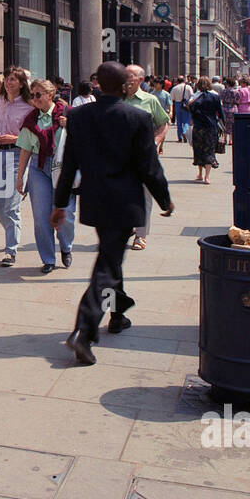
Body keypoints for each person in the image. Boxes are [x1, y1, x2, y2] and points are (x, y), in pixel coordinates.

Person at [52, 61, 174, 365]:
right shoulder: (137, 117)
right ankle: (85, 330)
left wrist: (60, 203)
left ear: (97, 85)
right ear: (124, 87)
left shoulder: (78, 117)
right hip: (125, 204)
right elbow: (149, 166)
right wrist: (164, 199)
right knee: (107, 265)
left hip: (95, 201)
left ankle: (118, 313)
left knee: (111, 256)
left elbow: (69, 165)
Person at [16, 78, 75, 273]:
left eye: (38, 95)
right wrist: (20, 177)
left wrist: (71, 126)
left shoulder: (68, 114)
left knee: (65, 216)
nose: (35, 99)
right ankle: (48, 259)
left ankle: (66, 246)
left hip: (63, 167)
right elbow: (25, 149)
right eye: (32, 96)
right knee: (41, 217)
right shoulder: (30, 119)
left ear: (50, 94)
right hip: (38, 167)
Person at [0, 67, 32, 267]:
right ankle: (12, 230)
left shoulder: (29, 106)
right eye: (7, 79)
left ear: (21, 83)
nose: (8, 82)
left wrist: (15, 138)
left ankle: (10, 250)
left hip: (16, 154)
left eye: (13, 79)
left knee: (11, 204)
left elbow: (32, 135)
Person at [124, 65, 169, 250]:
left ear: (140, 80)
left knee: (144, 197)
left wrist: (156, 141)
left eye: (130, 76)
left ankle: (140, 235)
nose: (125, 78)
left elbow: (163, 123)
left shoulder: (150, 100)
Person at [188, 75, 224, 183]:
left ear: (198, 85)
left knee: (198, 149)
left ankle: (199, 173)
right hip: (211, 126)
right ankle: (207, 176)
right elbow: (220, 112)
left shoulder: (195, 96)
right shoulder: (215, 96)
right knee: (209, 150)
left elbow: (190, 108)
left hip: (198, 127)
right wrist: (224, 124)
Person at [170, 76, 193, 142]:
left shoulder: (175, 88)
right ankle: (185, 131)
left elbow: (171, 98)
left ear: (177, 81)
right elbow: (192, 96)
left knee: (179, 121)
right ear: (184, 80)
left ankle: (179, 137)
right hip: (186, 104)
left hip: (177, 104)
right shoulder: (188, 87)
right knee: (186, 120)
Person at [221, 76, 241, 146]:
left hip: (225, 108)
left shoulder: (224, 91)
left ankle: (224, 139)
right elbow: (238, 101)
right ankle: (231, 140)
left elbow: (222, 99)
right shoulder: (236, 92)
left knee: (225, 124)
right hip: (233, 108)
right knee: (232, 124)